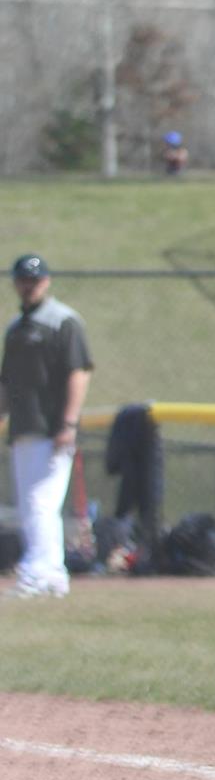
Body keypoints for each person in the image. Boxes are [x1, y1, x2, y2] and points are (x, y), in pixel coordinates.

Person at [0, 255, 92, 600]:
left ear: (47, 281)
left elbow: (78, 372)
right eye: (24, 279)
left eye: (35, 279)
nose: (29, 284)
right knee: (30, 506)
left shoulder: (63, 321)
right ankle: (50, 573)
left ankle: (41, 571)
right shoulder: (16, 327)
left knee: (41, 503)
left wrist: (68, 422)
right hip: (24, 427)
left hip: (52, 429)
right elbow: (6, 382)